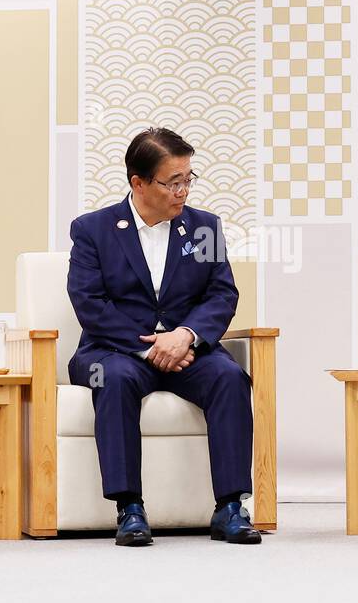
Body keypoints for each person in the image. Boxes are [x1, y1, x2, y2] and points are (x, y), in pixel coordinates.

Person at [66, 127, 260, 546]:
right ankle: (129, 508)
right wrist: (152, 344)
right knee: (112, 379)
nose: (183, 190)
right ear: (138, 183)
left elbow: (222, 293)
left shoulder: (204, 228)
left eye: (189, 179)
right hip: (114, 350)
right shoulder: (92, 230)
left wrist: (187, 335)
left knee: (230, 377)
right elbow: (89, 302)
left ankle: (230, 507)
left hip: (188, 350)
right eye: (173, 182)